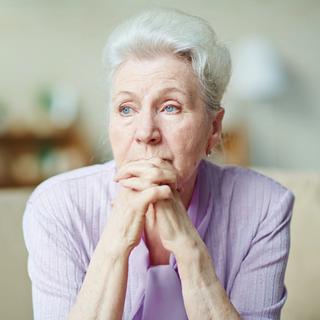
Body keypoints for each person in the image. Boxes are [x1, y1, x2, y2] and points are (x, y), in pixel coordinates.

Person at [22, 8, 295, 320]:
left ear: (214, 129)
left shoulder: (265, 207)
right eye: (127, 109)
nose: (145, 133)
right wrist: (117, 238)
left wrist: (188, 247)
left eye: (170, 107)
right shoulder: (57, 206)